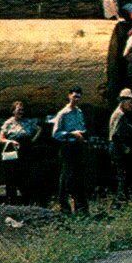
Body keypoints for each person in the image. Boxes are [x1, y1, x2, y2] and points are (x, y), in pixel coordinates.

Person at [52, 87, 89, 215]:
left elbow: (82, 126)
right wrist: (71, 134)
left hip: (78, 147)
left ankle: (81, 208)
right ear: (69, 96)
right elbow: (55, 133)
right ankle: (64, 207)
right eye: (74, 96)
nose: (76, 99)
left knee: (78, 177)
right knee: (66, 177)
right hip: (67, 146)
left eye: (78, 97)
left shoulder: (79, 112)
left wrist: (82, 135)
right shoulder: (63, 113)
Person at [0, 101, 41, 203]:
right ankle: (11, 200)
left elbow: (39, 129)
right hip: (13, 151)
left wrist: (33, 140)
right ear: (13, 111)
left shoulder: (28, 122)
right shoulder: (8, 123)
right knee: (12, 176)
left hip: (26, 150)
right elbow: (1, 139)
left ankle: (27, 200)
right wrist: (10, 141)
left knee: (25, 175)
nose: (21, 112)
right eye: (18, 110)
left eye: (22, 110)